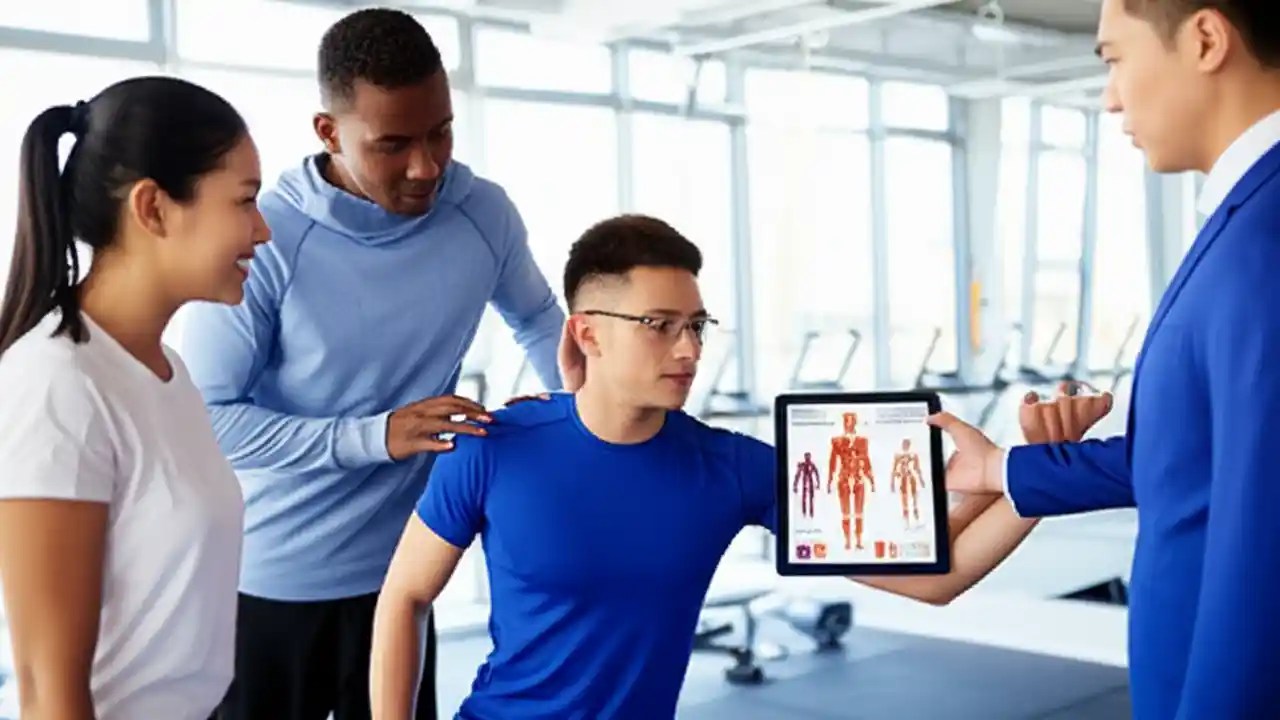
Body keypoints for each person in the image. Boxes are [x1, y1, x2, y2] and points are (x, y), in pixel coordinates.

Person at [367, 214, 1114, 719]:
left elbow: (933, 577)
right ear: (586, 334)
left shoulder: (731, 469)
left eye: (695, 325)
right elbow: (404, 597)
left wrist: (1042, 473)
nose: (689, 349)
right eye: (660, 327)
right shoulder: (497, 444)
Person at [178, 7, 565, 720]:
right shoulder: (267, 236)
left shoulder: (484, 214)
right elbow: (207, 415)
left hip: (403, 578)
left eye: (441, 132)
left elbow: (538, 318)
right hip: (270, 586)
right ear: (329, 132)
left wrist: (583, 418)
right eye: (393, 144)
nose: (427, 166)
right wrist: (376, 435)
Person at [931, 1, 1280, 718]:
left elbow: (1262, 552)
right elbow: (1190, 461)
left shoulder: (1265, 242)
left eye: (1114, 58)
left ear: (1207, 39)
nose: (1111, 95)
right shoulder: (1244, 217)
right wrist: (998, 468)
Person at [0, 77, 268, 719]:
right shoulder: (57, 384)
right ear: (153, 208)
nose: (261, 230)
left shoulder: (167, 371)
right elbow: (49, 695)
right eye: (244, 201)